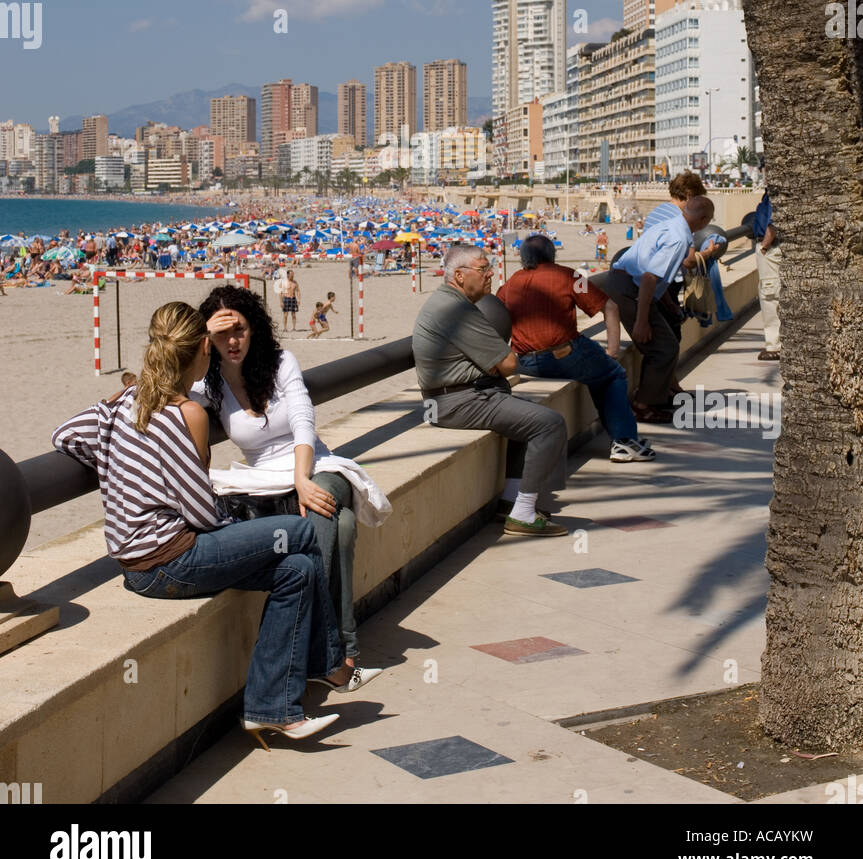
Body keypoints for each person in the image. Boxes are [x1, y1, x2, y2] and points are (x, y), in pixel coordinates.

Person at [52, 301, 362, 746]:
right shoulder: (185, 413)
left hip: (139, 558)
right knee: (299, 533)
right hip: (167, 561)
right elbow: (199, 512)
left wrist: (114, 459)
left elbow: (63, 436)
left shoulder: (125, 401)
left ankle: (270, 709)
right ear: (203, 348)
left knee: (298, 570)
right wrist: (233, 517)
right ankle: (331, 662)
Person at [194, 284, 388, 688]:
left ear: (255, 329)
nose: (233, 340)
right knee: (344, 526)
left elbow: (304, 421)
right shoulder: (209, 384)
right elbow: (161, 382)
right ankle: (342, 655)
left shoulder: (281, 361)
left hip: (316, 463)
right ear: (208, 339)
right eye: (222, 333)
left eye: (241, 330)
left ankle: (314, 659)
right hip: (264, 478)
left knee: (319, 506)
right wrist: (199, 334)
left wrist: (303, 478)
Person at [412, 242, 568, 537]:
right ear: (459, 275)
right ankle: (522, 514)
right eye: (483, 269)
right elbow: (508, 363)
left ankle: (511, 502)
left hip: (455, 397)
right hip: (461, 401)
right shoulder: (455, 309)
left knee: (528, 421)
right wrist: (494, 366)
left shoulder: (448, 303)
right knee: (550, 424)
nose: (490, 274)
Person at [497, 234, 655, 464]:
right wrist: (612, 352)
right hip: (565, 356)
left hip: (525, 362)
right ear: (552, 254)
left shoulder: (510, 283)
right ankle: (624, 441)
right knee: (612, 374)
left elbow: (495, 318)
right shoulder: (568, 276)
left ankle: (622, 439)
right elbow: (610, 307)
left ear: (523, 258)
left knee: (598, 371)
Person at [590, 196, 716, 422]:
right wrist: (642, 320)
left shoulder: (669, 225)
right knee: (663, 348)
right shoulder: (679, 239)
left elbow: (658, 277)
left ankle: (655, 396)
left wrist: (666, 303)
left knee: (664, 342)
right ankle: (643, 404)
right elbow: (649, 277)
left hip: (624, 282)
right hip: (630, 289)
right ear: (704, 220)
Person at [752, 182, 781, 360]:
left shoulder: (774, 193)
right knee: (771, 293)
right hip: (769, 246)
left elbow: (773, 221)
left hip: (769, 248)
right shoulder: (769, 192)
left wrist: (764, 245)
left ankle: (774, 345)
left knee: (770, 295)